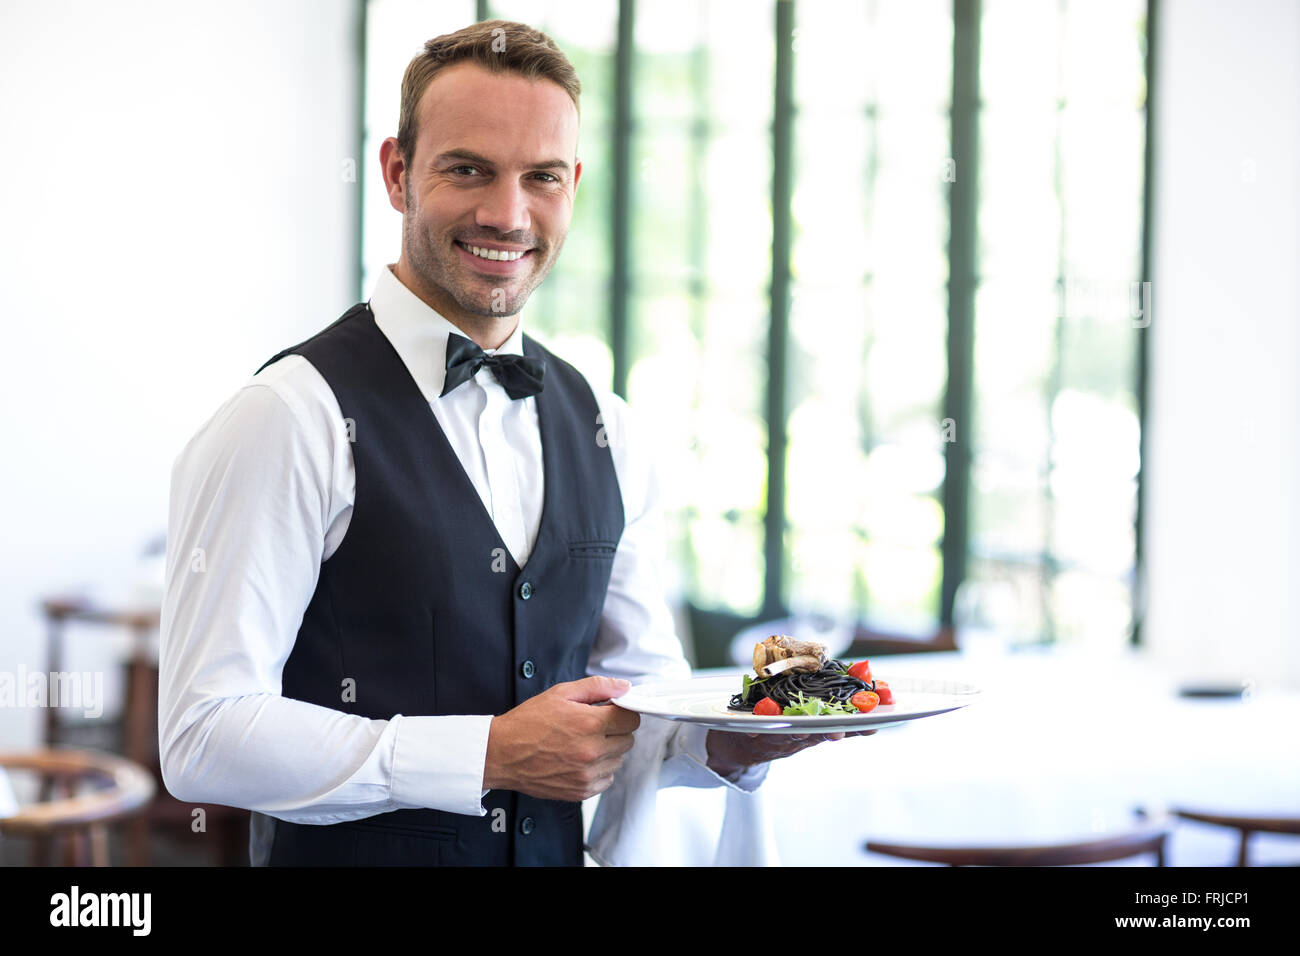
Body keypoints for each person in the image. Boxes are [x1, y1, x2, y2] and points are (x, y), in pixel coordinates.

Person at [158, 19, 846, 867]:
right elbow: (202, 734)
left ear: (574, 188)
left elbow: (642, 705)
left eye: (541, 178)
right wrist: (485, 753)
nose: (506, 214)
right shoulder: (287, 416)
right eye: (467, 169)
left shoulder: (610, 425)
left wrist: (728, 746)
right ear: (398, 173)